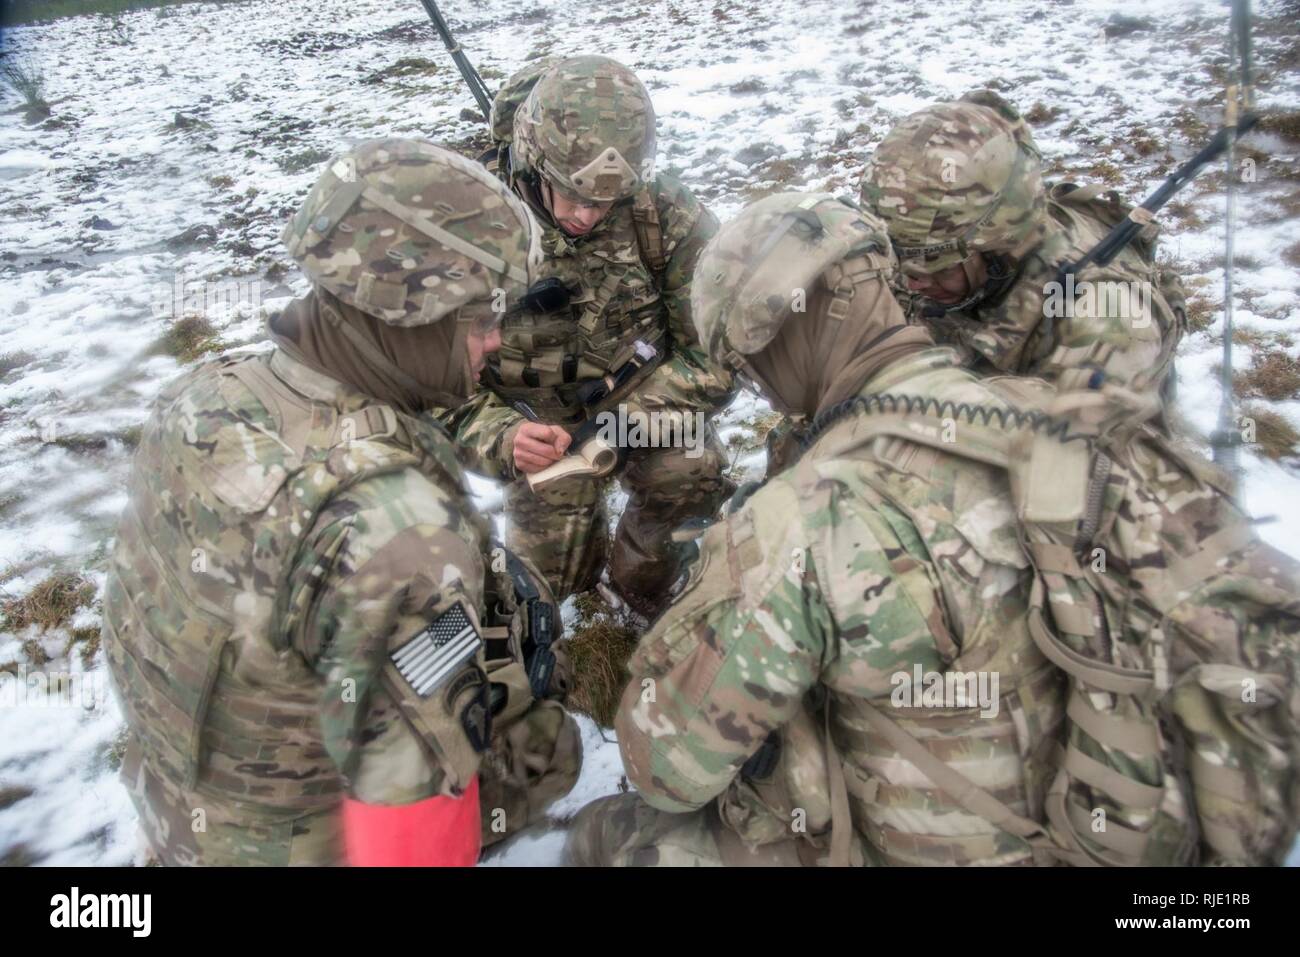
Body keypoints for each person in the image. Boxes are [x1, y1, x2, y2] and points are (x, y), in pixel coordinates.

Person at [565, 192, 1299, 867]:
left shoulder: (806, 516)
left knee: (610, 831)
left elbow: (666, 767)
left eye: (752, 368)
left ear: (775, 343)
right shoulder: (1079, 420)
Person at [104, 138, 580, 866]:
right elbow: (413, 835)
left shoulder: (202, 397)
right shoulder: (400, 533)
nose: (493, 341)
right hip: (299, 845)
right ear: (408, 317)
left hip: (176, 806)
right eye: (479, 318)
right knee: (549, 746)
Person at [441, 55, 736, 619]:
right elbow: (426, 379)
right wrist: (504, 438)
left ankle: (638, 592)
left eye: (605, 201)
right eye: (572, 195)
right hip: (526, 420)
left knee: (693, 470)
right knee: (551, 572)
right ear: (532, 162)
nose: (587, 215)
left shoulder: (665, 213)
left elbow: (717, 350)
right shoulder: (463, 223)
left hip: (641, 401)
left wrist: (622, 426)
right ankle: (562, 617)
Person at [860, 90, 1186, 402]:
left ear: (1000, 244)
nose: (913, 281)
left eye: (937, 265)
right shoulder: (944, 247)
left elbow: (1067, 451)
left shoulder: (1101, 323)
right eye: (898, 257)